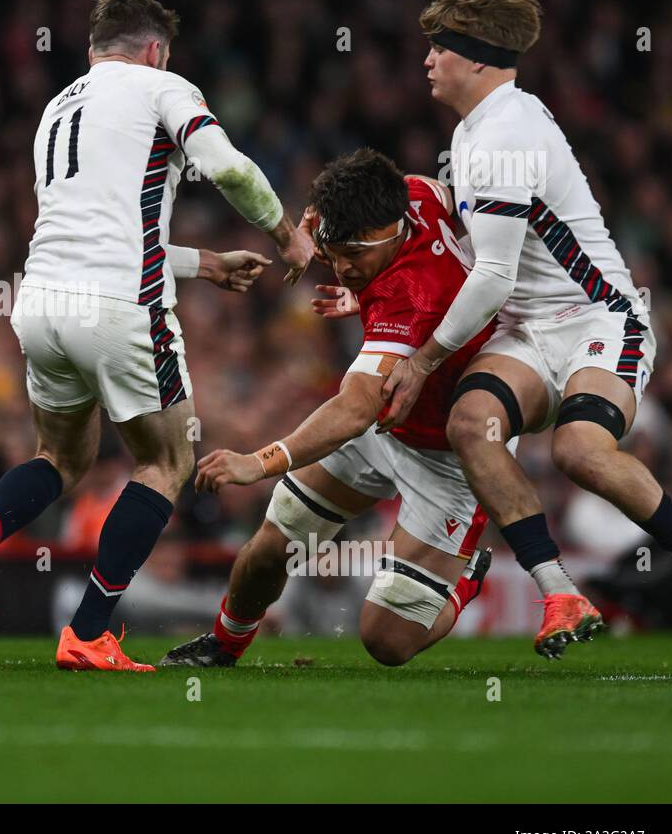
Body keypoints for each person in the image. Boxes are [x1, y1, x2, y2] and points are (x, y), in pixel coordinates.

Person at [0, 0, 314, 671]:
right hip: (122, 306)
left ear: (99, 50)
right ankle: (89, 630)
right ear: (155, 51)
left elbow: (96, 226)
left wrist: (201, 262)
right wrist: (287, 235)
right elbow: (231, 169)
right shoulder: (163, 88)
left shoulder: (58, 107)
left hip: (41, 305)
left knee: (59, 458)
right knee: (167, 461)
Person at [378, 0, 672, 657]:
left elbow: (491, 273)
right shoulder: (481, 127)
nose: (427, 61)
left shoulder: (504, 134)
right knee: (472, 423)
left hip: (599, 319)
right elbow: (479, 255)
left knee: (580, 451)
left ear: (478, 60)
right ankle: (559, 591)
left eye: (439, 49)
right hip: (528, 329)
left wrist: (424, 356)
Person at [163, 150, 494, 668]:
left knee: (386, 641)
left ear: (387, 230)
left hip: (448, 454)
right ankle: (223, 647)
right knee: (272, 545)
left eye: (351, 254)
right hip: (391, 424)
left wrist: (259, 462)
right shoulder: (412, 198)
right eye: (332, 250)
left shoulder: (412, 294)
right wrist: (309, 231)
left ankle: (466, 576)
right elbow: (426, 192)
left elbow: (356, 408)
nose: (340, 267)